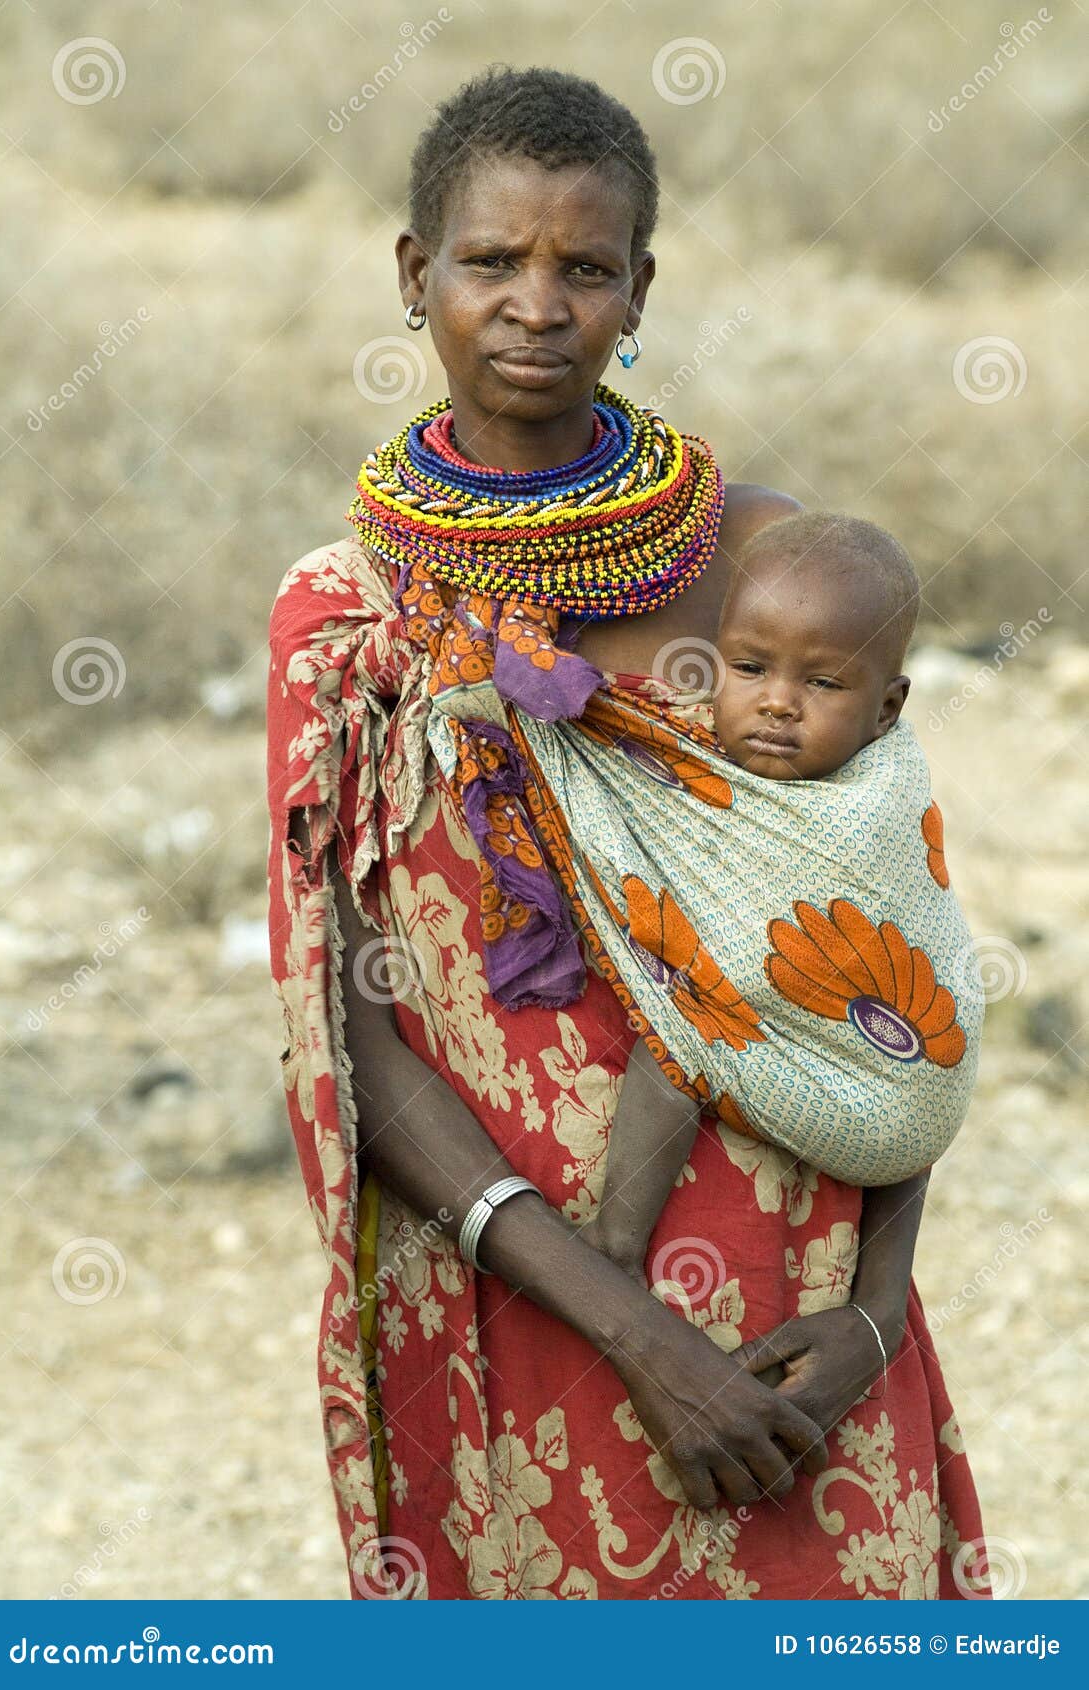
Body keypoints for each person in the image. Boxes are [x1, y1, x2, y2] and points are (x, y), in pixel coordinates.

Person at [266, 64, 991, 1600]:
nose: (536, 303)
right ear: (414, 276)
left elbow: (898, 957)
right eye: (488, 260)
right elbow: (343, 1019)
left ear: (637, 289)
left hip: (797, 1327)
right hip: (512, 1283)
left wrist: (870, 1309)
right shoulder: (342, 621)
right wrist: (625, 1319)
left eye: (583, 267)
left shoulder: (768, 569)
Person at [582, 510, 983, 1286]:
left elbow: (763, 948)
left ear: (888, 711)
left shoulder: (876, 800)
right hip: (854, 1099)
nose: (777, 702)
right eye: (749, 668)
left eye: (822, 682)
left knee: (685, 1028)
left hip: (892, 1114)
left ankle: (613, 1242)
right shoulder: (691, 747)